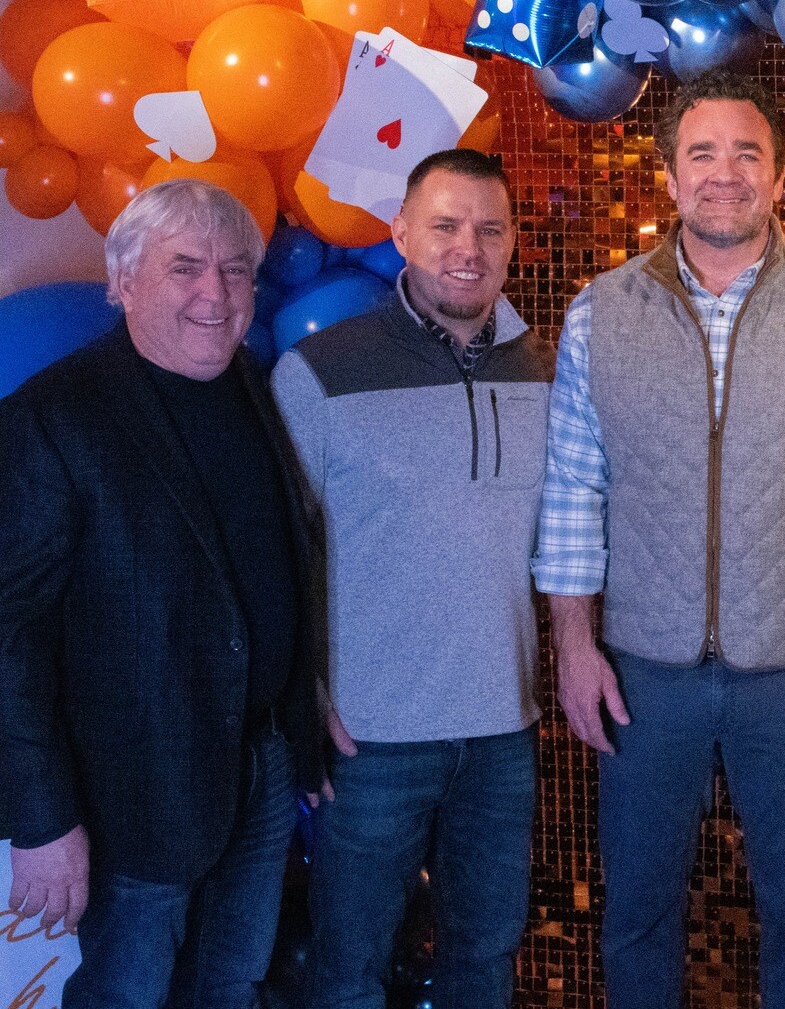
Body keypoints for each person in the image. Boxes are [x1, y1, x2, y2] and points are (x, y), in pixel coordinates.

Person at [532, 70, 785, 1009]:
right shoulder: (600, 310)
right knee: (636, 911)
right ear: (669, 176)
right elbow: (574, 488)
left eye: (748, 153)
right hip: (642, 670)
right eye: (702, 153)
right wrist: (574, 647)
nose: (725, 172)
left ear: (780, 176)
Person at [0, 179, 324, 1008]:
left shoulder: (245, 378)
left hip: (259, 766)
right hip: (133, 793)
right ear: (123, 280)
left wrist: (300, 719)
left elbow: (275, 564)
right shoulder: (52, 417)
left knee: (229, 985)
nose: (215, 292)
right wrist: (41, 819)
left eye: (236, 268)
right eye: (185, 267)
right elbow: (9, 634)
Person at [272, 149, 552, 1009]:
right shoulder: (317, 372)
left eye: (490, 229)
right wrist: (304, 694)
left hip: (503, 731)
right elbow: (277, 552)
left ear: (512, 242)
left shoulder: (547, 369)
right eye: (445, 226)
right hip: (369, 736)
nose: (468, 248)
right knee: (349, 968)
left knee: (486, 958)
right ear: (400, 233)